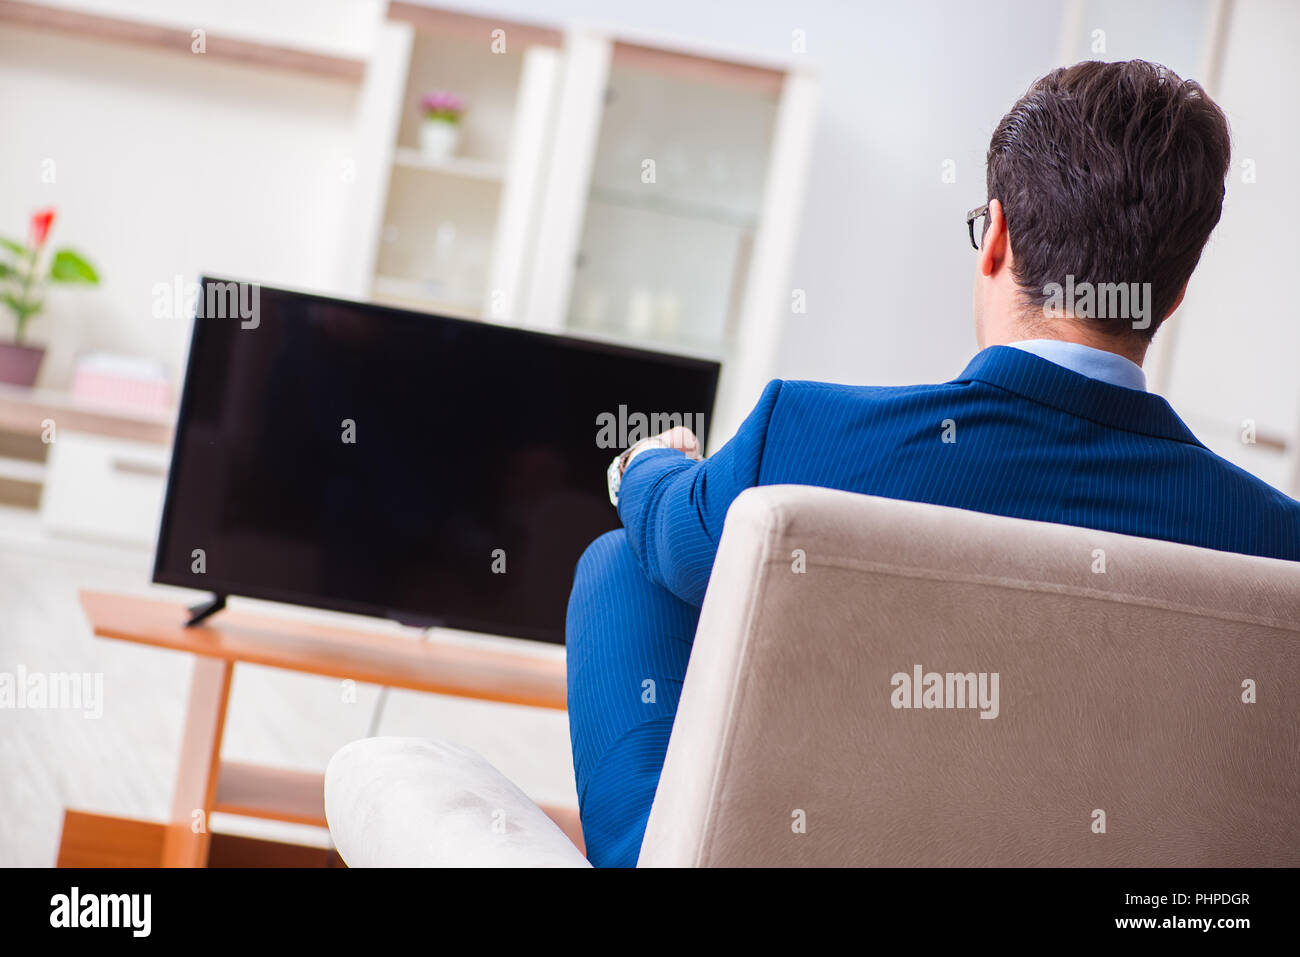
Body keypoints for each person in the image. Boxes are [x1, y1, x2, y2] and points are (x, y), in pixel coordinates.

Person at [565, 59, 1300, 867]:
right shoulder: (1274, 541)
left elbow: (677, 529)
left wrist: (638, 467)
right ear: (1177, 289)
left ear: (997, 237)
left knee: (625, 562)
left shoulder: (805, 436)